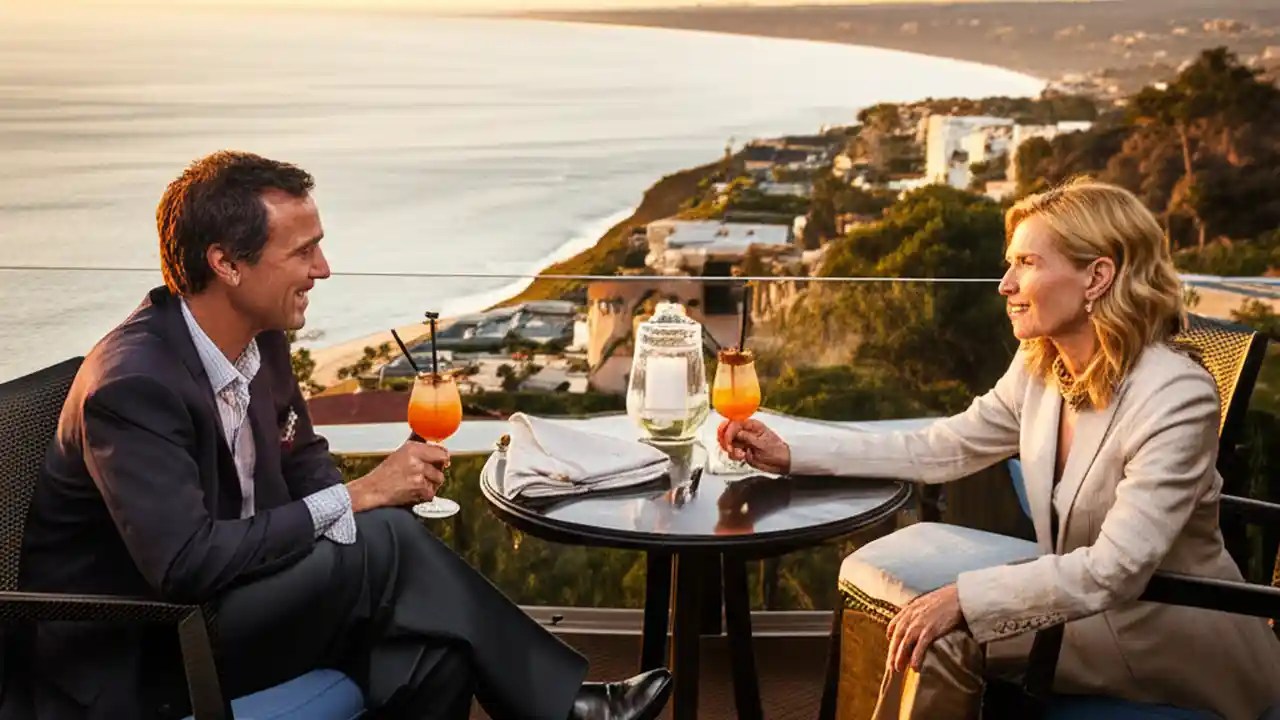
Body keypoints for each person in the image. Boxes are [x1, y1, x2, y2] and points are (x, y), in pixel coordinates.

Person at [17, 151, 672, 720]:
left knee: (435, 656)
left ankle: (558, 706)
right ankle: (564, 708)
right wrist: (354, 502)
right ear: (227, 263)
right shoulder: (132, 385)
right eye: (302, 251)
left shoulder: (259, 337)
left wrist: (341, 504)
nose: (323, 269)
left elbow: (304, 459)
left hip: (239, 603)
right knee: (384, 537)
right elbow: (187, 565)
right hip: (149, 650)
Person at [718, 178, 1280, 719]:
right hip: (1081, 612)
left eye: (1027, 263)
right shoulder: (1043, 365)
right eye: (1010, 263)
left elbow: (1117, 570)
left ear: (1097, 276)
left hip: (1161, 635)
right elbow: (944, 446)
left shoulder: (1175, 394)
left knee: (935, 638)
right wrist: (792, 452)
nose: (1004, 285)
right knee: (911, 622)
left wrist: (966, 598)